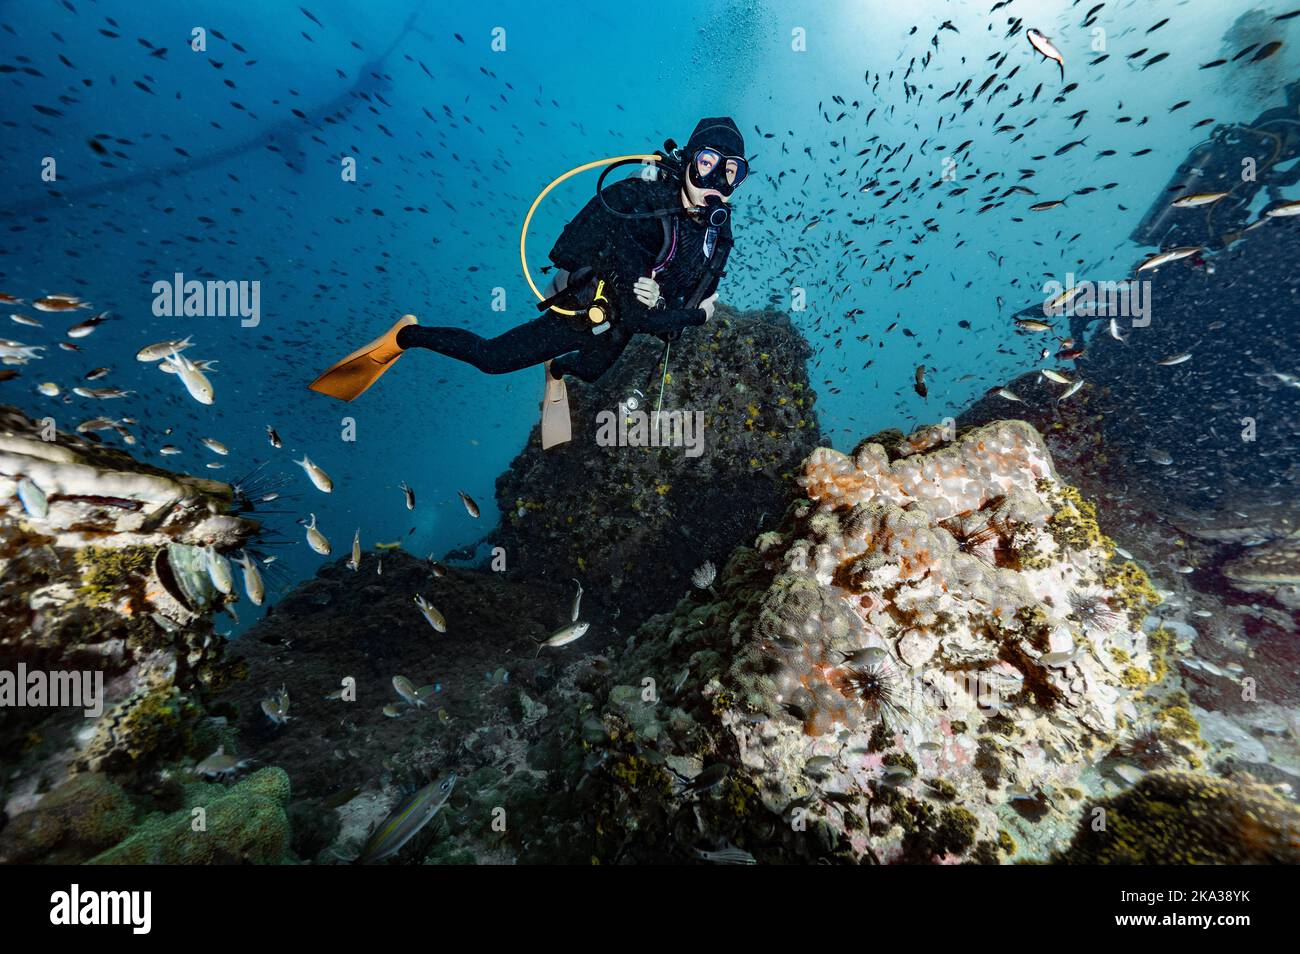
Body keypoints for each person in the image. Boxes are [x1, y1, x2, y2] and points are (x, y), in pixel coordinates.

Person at [308, 117, 749, 448]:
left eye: (730, 171)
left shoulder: (718, 231)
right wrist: (696, 314)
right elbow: (648, 312)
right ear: (686, 161)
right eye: (706, 163)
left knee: (591, 372)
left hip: (626, 322)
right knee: (492, 359)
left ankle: (555, 369)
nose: (716, 181)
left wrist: (674, 302)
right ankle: (406, 335)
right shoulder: (637, 206)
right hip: (584, 309)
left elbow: (689, 293)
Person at [1131, 80, 1300, 250]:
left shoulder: (1285, 122)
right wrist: (1260, 183)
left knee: (1214, 217)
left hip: (1228, 179)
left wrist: (1264, 183)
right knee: (1215, 216)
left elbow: (1280, 174)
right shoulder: (1286, 123)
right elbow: (1253, 154)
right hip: (1229, 176)